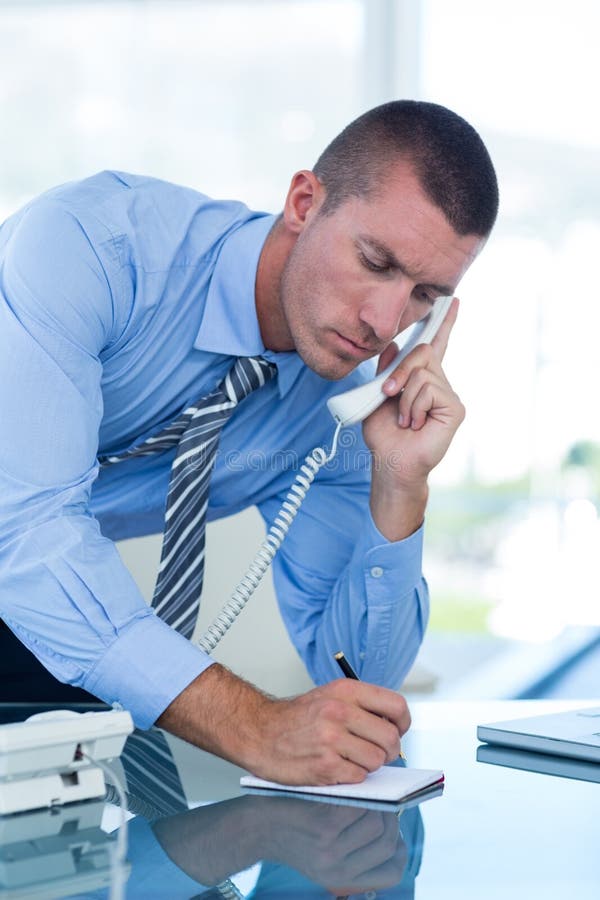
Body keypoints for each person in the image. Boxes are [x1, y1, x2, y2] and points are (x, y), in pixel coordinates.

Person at [0, 100, 498, 785]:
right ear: (303, 203)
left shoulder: (338, 419)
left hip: (43, 622)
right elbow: (26, 529)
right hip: (31, 559)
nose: (385, 322)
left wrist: (400, 485)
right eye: (375, 262)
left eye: (424, 297)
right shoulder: (91, 248)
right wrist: (254, 724)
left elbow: (358, 682)